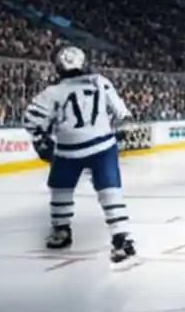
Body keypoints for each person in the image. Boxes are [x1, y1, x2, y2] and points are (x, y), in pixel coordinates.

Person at [23, 46, 135, 263]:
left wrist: (40, 141)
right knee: (110, 191)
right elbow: (123, 114)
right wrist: (122, 132)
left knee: (60, 189)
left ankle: (61, 231)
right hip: (103, 144)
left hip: (67, 149)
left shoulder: (53, 92)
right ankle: (121, 236)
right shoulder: (100, 82)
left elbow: (31, 120)